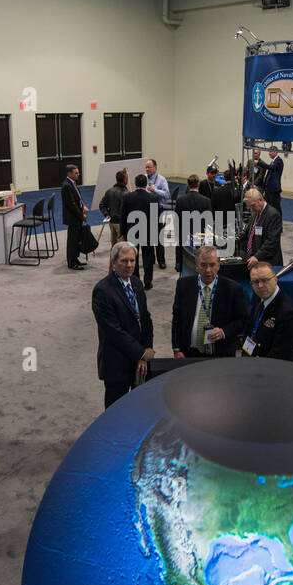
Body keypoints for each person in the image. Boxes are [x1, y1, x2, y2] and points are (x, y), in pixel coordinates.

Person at [92, 241, 155, 408]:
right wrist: (141, 353)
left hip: (139, 364)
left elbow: (145, 319)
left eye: (132, 261)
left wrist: (147, 350)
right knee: (116, 412)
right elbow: (114, 332)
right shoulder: (102, 291)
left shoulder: (136, 283)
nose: (129, 265)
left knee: (138, 408)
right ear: (113, 262)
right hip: (116, 364)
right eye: (124, 261)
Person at [172, 245, 247, 358]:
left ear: (218, 265)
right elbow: (177, 318)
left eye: (212, 265)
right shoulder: (183, 285)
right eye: (203, 265)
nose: (208, 270)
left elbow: (243, 320)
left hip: (220, 354)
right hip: (188, 352)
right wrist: (176, 348)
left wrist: (223, 331)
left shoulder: (233, 289)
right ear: (196, 266)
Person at [238, 261, 293, 361]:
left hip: (273, 369)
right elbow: (249, 330)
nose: (260, 286)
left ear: (275, 279)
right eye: (255, 282)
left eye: (265, 280)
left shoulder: (288, 313)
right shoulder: (259, 298)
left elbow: (280, 354)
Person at [122, 173, 165, 288]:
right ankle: (148, 282)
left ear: (135, 184)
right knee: (148, 257)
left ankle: (135, 281)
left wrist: (123, 233)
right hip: (148, 232)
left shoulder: (127, 197)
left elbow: (124, 217)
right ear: (146, 184)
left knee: (132, 257)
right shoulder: (153, 198)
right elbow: (156, 218)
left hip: (132, 231)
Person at [173, 175, 213, 272]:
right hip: (200, 233)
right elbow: (209, 221)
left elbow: (176, 219)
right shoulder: (206, 201)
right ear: (198, 184)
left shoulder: (180, 200)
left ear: (188, 184)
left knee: (183, 254)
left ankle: (179, 265)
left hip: (184, 232)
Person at [238, 186, 283, 268]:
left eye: (253, 206)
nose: (251, 209)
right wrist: (235, 238)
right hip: (254, 259)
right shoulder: (256, 211)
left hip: (267, 262)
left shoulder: (273, 215)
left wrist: (257, 256)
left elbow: (272, 241)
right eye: (249, 207)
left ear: (260, 200)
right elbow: (247, 231)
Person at [60, 163, 88, 270]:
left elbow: (78, 198)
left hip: (76, 216)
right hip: (72, 218)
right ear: (69, 173)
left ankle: (75, 259)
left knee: (76, 240)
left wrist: (83, 206)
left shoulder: (72, 183)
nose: (78, 174)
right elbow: (71, 205)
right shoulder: (66, 186)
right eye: (76, 173)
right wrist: (82, 216)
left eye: (78, 172)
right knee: (72, 241)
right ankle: (72, 262)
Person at [143, 159, 170, 270]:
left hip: (158, 210)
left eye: (149, 167)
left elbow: (167, 195)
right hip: (145, 211)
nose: (147, 169)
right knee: (148, 237)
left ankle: (161, 260)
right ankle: (150, 259)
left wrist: (155, 190)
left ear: (155, 167)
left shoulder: (161, 180)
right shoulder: (143, 178)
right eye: (146, 167)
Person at [99, 168, 128, 246]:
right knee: (121, 247)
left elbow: (101, 204)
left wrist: (106, 214)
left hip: (111, 222)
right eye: (127, 178)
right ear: (125, 180)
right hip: (121, 224)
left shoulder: (109, 191)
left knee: (114, 245)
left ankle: (113, 258)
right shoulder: (126, 194)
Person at [257, 147, 284, 211]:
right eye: (269, 152)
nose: (269, 153)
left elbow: (270, 167)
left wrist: (259, 163)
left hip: (274, 189)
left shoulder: (279, 160)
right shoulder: (274, 161)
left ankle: (278, 220)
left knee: (275, 207)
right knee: (268, 206)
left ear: (276, 152)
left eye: (271, 152)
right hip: (269, 188)